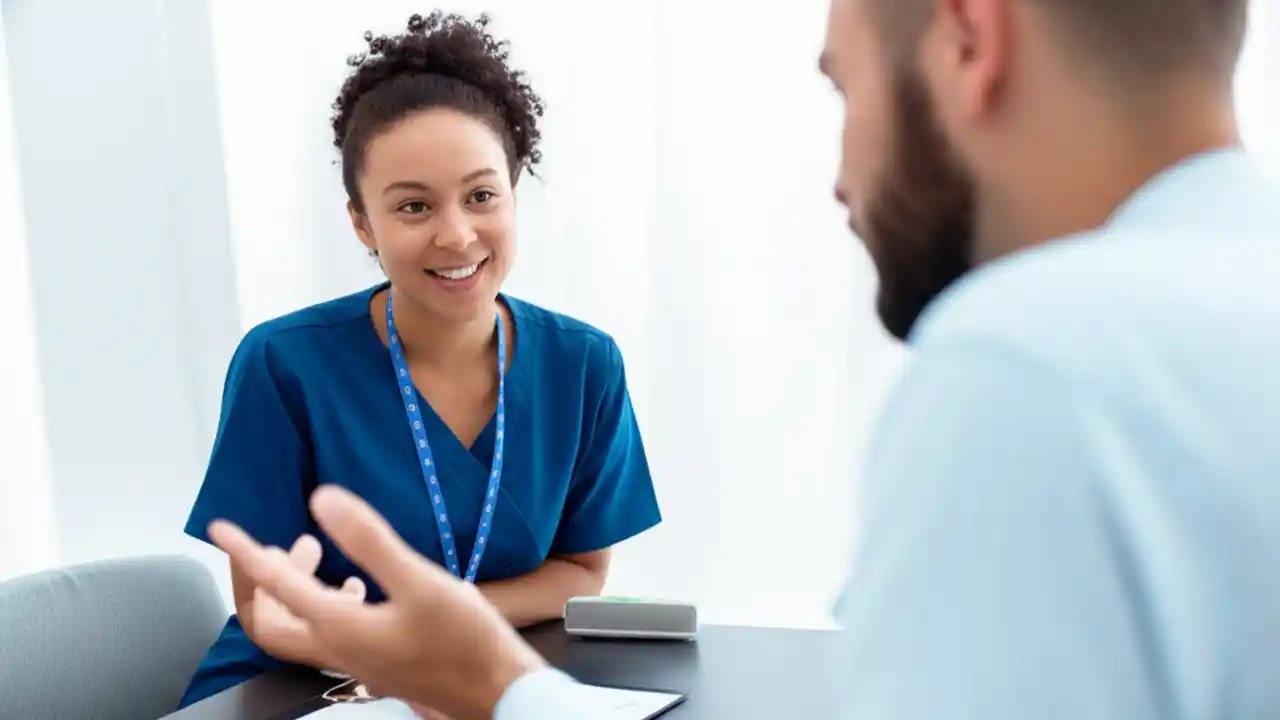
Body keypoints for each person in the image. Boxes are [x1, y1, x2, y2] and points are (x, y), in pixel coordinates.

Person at [210, 0, 1280, 718]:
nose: (836, 181)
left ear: (970, 41)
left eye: (842, 90)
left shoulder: (1029, 368)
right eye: (411, 205)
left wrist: (492, 683)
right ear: (360, 221)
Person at [177, 11, 661, 708]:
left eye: (481, 196)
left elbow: (581, 572)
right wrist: (392, 652)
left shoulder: (583, 365)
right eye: (413, 207)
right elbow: (267, 611)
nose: (457, 235)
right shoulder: (283, 364)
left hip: (472, 681)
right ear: (362, 222)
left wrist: (447, 648)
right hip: (297, 689)